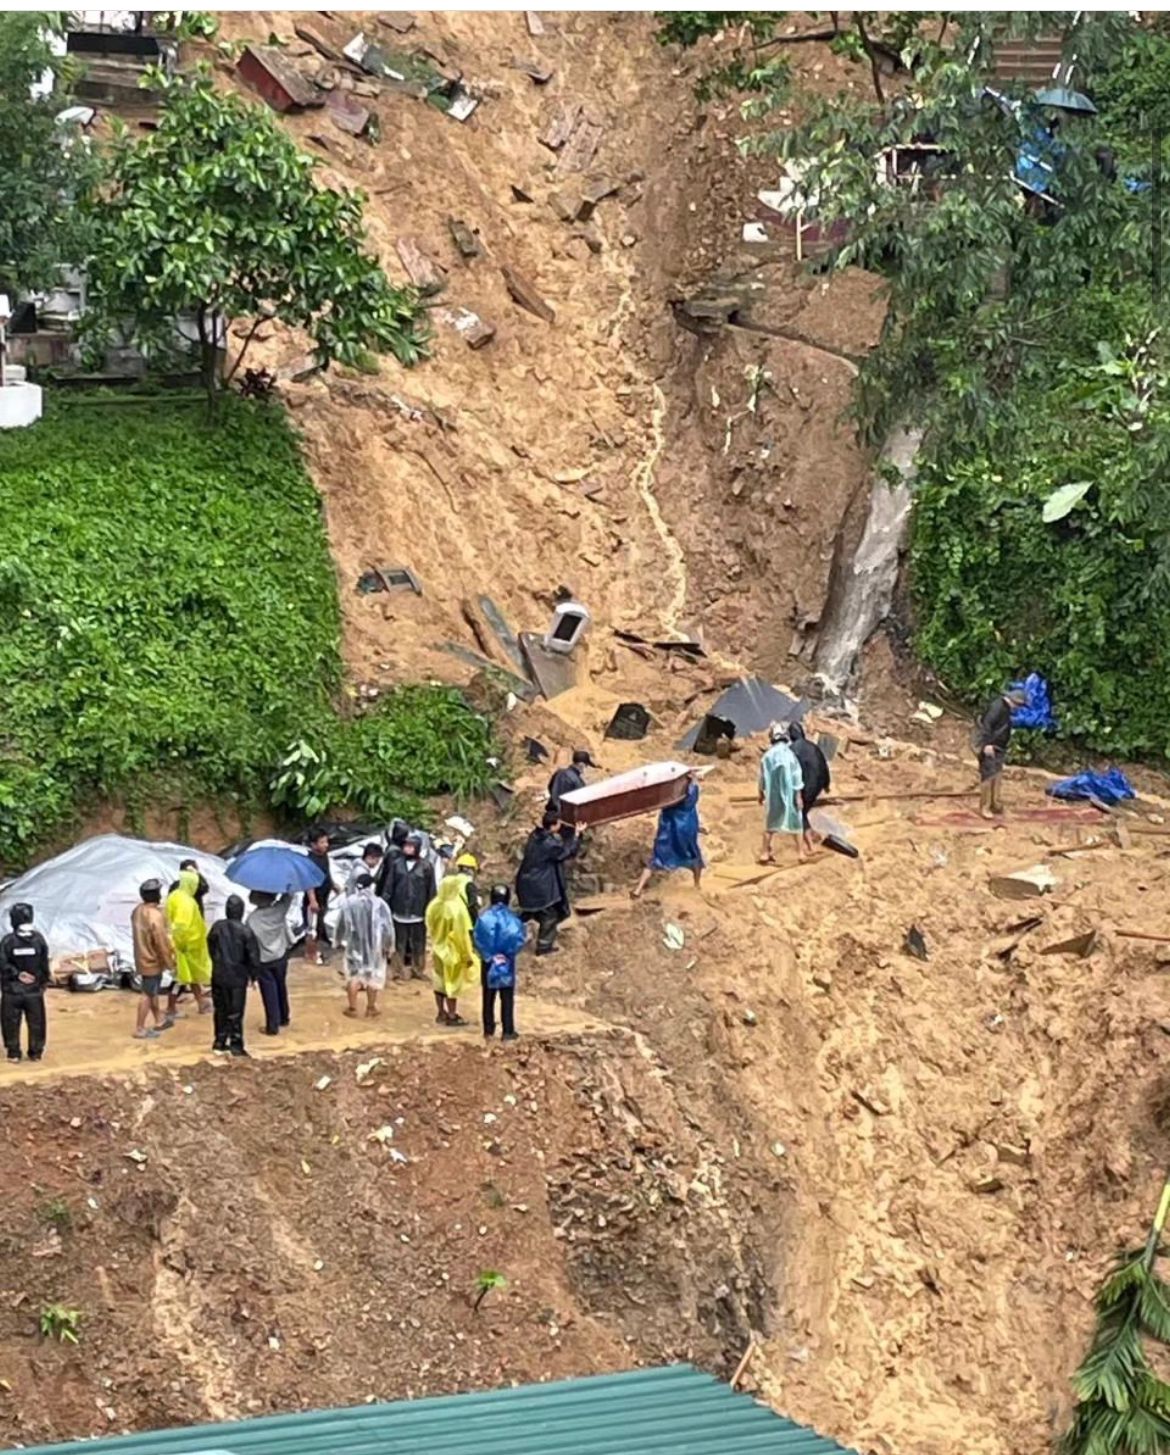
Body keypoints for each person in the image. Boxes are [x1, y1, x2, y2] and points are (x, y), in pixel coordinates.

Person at [515, 810, 579, 955]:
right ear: (554, 825)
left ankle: (512, 932)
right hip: (540, 887)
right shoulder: (548, 844)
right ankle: (544, 946)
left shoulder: (535, 836)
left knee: (530, 912)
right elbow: (564, 852)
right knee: (550, 915)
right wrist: (576, 835)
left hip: (526, 882)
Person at [632, 772, 704, 898]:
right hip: (687, 826)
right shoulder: (692, 792)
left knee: (655, 859)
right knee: (693, 855)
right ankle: (697, 884)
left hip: (669, 828)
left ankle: (637, 890)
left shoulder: (669, 794)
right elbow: (694, 790)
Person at [336, 873, 395, 1020]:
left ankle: (352, 1008)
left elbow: (340, 924)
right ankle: (371, 1007)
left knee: (353, 976)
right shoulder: (380, 904)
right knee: (373, 975)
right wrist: (389, 945)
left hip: (354, 945)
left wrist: (337, 941)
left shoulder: (348, 903)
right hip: (375, 947)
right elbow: (388, 927)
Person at [207, 894, 260, 1057]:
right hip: (237, 977)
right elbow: (253, 956)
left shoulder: (217, 927)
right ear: (241, 912)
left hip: (219, 974)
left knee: (220, 1009)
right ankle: (236, 1045)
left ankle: (219, 1041)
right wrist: (254, 976)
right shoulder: (246, 932)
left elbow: (210, 945)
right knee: (235, 1012)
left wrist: (217, 961)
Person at [474, 884, 526, 1041]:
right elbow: (519, 939)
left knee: (488, 997)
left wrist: (488, 956)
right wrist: (507, 954)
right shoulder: (513, 920)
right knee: (507, 997)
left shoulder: (484, 918)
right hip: (507, 962)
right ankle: (508, 1031)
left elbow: (477, 939)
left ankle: (488, 1030)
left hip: (489, 962)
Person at [381, 832, 436, 979]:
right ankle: (397, 971)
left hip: (418, 912)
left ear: (417, 848)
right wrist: (384, 905)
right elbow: (389, 887)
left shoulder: (426, 866)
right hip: (399, 911)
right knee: (399, 942)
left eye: (411, 847)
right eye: (406, 846)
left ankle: (418, 970)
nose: (407, 849)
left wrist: (430, 910)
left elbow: (431, 890)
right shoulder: (397, 864)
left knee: (419, 942)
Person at [425, 873, 478, 1026]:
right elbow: (462, 935)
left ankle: (441, 1012)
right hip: (452, 950)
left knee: (439, 981)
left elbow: (429, 923)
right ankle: (452, 1015)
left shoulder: (434, 905)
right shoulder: (456, 909)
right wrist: (467, 955)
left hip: (437, 948)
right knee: (452, 984)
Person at [0, 904, 50, 1063]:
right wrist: (41, 983)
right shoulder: (39, 940)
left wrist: (17, 974)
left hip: (12, 991)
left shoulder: (8, 941)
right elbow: (44, 964)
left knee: (10, 1022)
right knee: (37, 1022)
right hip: (34, 991)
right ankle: (35, 1053)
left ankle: (13, 1053)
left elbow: (2, 963)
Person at [131, 878, 176, 1040]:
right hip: (152, 960)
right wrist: (170, 963)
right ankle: (140, 1028)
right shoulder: (155, 916)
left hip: (141, 957)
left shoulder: (137, 911)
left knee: (152, 991)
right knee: (147, 994)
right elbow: (161, 944)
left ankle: (159, 1019)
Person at [975, 686, 1029, 819]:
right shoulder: (997, 708)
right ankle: (985, 807)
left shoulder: (1006, 710)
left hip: (998, 746)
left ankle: (995, 803)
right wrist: (985, 745)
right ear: (1014, 701)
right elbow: (986, 725)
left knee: (997, 773)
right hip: (989, 745)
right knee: (988, 775)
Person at [247, 890, 295, 1036]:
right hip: (280, 955)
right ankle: (284, 1017)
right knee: (281, 986)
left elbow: (250, 944)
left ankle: (272, 1025)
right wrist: (286, 885)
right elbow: (288, 897)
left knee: (269, 992)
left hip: (264, 960)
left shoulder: (251, 919)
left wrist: (250, 967)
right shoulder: (278, 910)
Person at [166, 868, 212, 1014]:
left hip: (183, 945)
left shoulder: (176, 896)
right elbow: (181, 926)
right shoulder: (186, 902)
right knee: (180, 979)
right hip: (185, 946)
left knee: (190, 975)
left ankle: (201, 1003)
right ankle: (171, 1007)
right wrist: (182, 945)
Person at [759, 723, 805, 864]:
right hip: (790, 792)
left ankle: (765, 852)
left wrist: (761, 794)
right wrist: (798, 795)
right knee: (796, 822)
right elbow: (797, 775)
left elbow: (762, 778)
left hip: (773, 795)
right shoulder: (790, 755)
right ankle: (800, 853)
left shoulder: (766, 757)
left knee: (770, 824)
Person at [786, 722, 831, 854]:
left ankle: (810, 842)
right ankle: (810, 831)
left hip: (806, 784)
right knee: (805, 806)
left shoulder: (792, 749)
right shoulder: (814, 747)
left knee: (800, 811)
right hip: (819, 782)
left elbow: (791, 773)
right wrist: (827, 784)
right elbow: (824, 764)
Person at [304, 826, 336, 965]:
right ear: (313, 844)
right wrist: (312, 900)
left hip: (324, 897)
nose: (326, 845)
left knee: (319, 926)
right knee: (312, 928)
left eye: (326, 842)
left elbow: (327, 872)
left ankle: (316, 951)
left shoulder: (324, 856)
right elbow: (308, 882)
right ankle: (310, 954)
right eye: (322, 842)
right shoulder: (309, 861)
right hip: (314, 900)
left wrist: (334, 885)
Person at [546, 749, 594, 814]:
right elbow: (581, 801)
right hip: (565, 817)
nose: (586, 768)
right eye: (586, 765)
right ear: (581, 765)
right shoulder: (578, 782)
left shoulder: (558, 773)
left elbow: (550, 787)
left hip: (550, 814)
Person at [454, 852, 481, 924]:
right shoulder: (469, 884)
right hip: (464, 923)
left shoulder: (450, 882)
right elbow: (472, 907)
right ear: (470, 870)